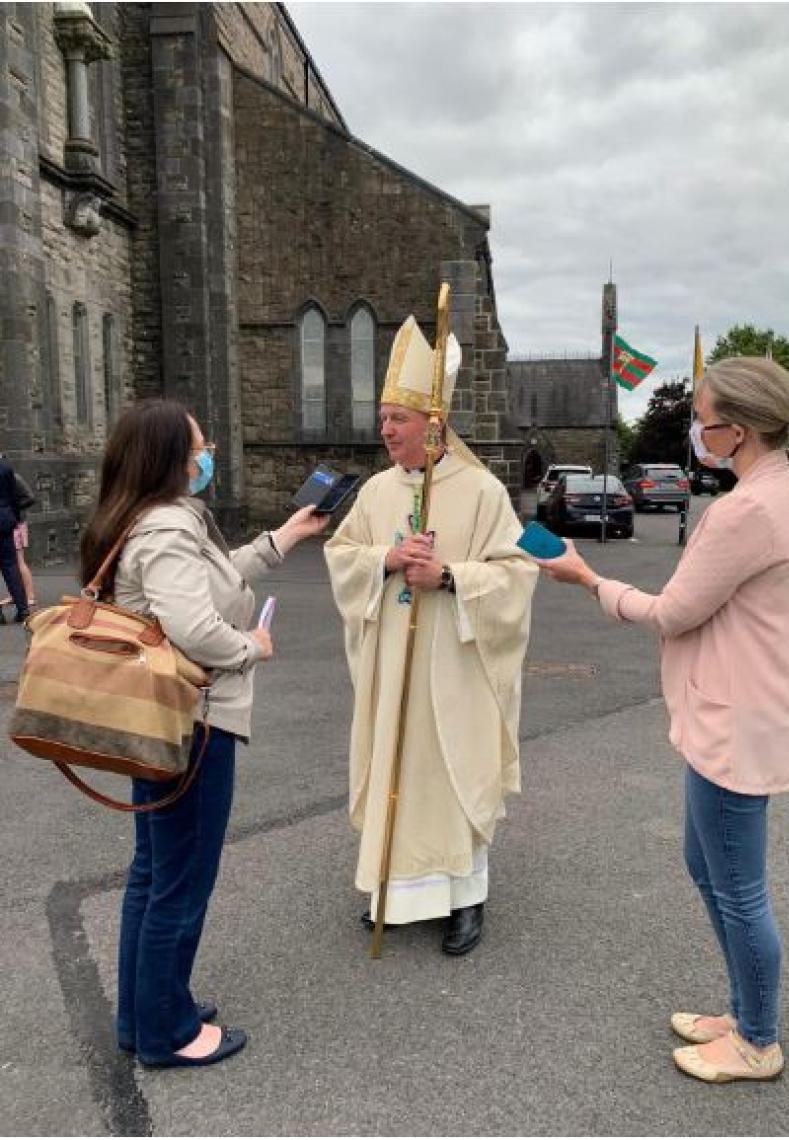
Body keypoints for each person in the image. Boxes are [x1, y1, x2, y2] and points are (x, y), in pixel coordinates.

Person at [537, 357, 789, 1082]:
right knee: (707, 866)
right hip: (741, 713)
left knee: (737, 886)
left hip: (734, 723)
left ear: (737, 429)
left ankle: (756, 1040)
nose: (695, 430)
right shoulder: (780, 491)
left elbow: (672, 612)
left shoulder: (747, 510)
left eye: (703, 418)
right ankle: (741, 1012)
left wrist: (588, 578)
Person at [79, 399, 327, 1068]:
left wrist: (286, 536)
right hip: (191, 722)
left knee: (155, 873)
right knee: (179, 882)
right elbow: (195, 629)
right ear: (167, 457)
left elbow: (209, 584)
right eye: (197, 445)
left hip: (161, 719)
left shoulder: (152, 518)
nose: (206, 452)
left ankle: (145, 1013)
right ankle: (167, 1033)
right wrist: (252, 647)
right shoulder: (165, 527)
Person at [325, 316, 537, 955]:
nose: (385, 429)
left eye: (397, 418)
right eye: (383, 417)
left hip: (456, 667)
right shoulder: (377, 492)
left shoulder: (481, 492)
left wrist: (449, 576)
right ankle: (394, 892)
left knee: (449, 772)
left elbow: (518, 572)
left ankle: (466, 899)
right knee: (397, 763)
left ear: (433, 424)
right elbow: (343, 552)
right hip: (395, 667)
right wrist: (385, 562)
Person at [0, 456, 29, 623]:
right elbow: (14, 497)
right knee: (10, 566)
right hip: (4, 519)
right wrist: (15, 517)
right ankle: (23, 609)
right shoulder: (6, 467)